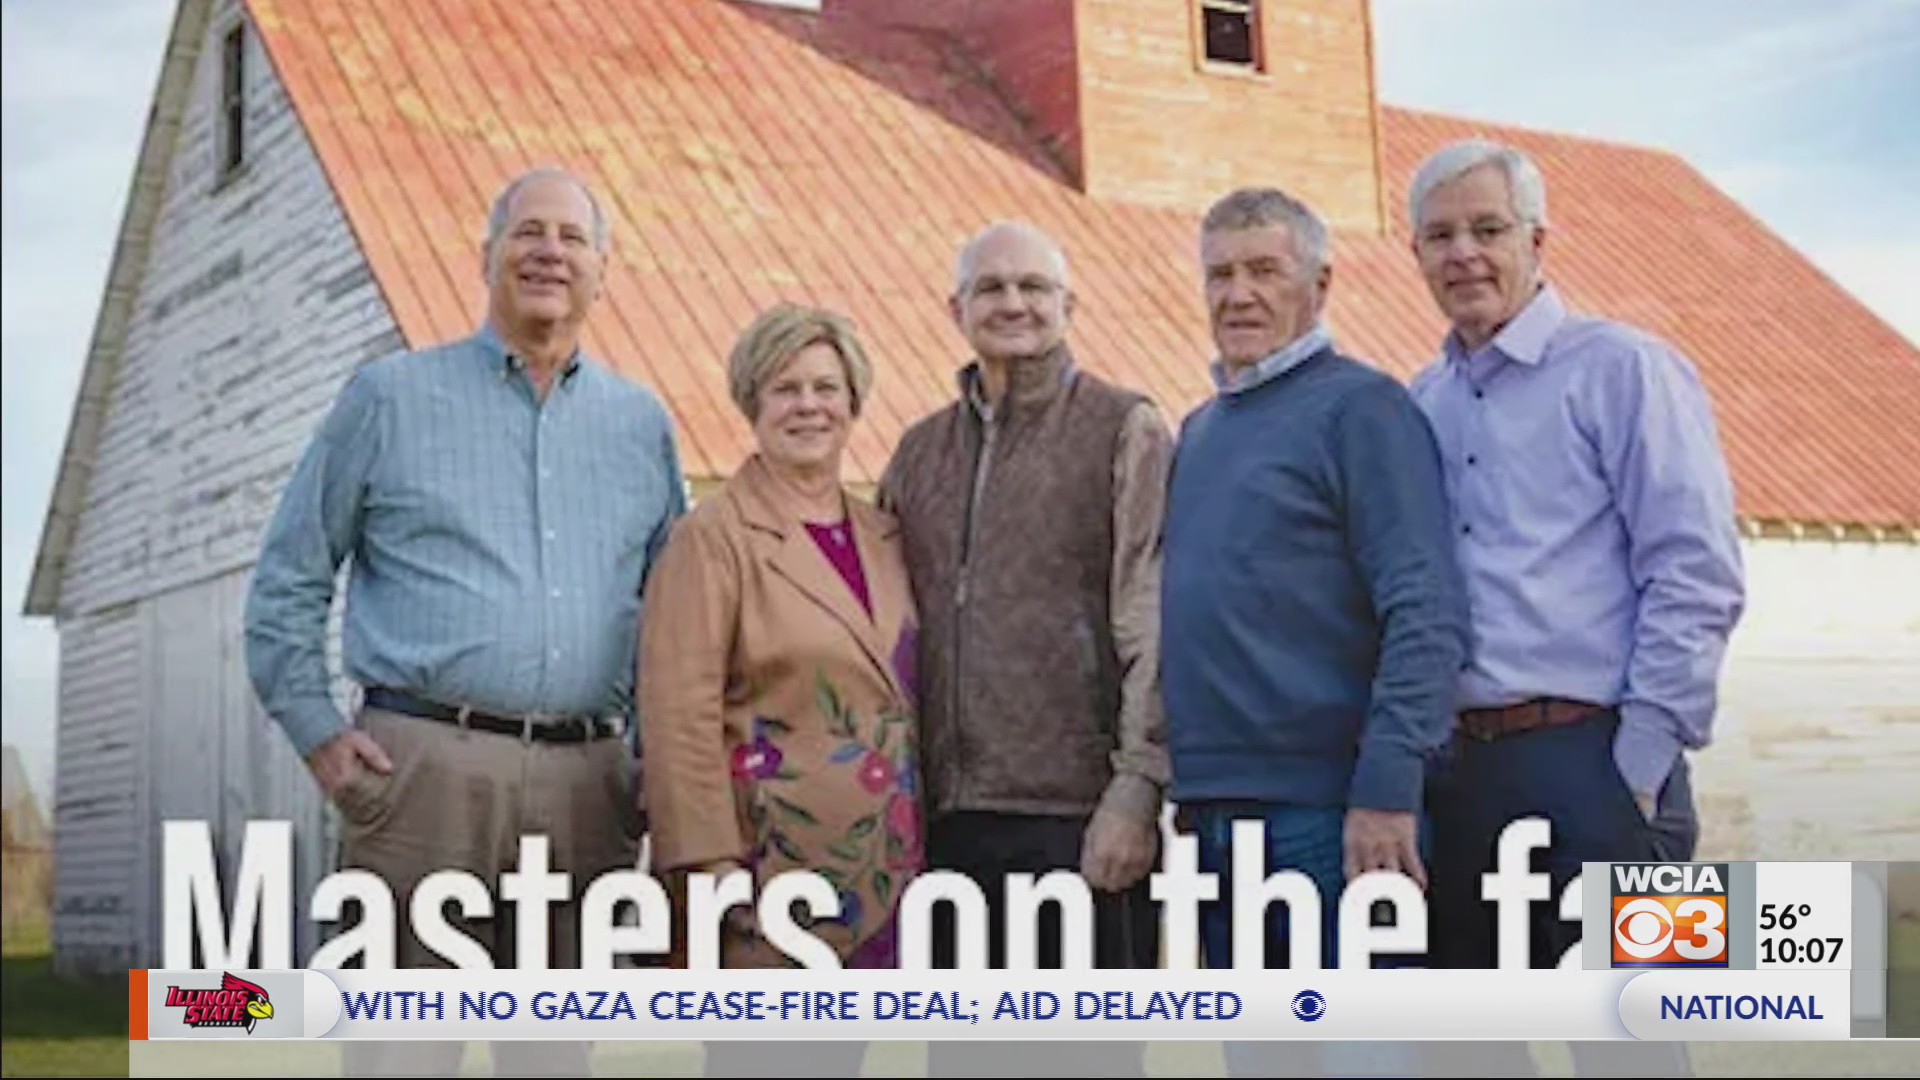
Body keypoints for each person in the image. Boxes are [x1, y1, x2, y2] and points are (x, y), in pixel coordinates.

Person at [244, 168, 686, 1078]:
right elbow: (289, 579)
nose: (549, 252)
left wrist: (650, 759)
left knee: (557, 1057)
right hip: (423, 776)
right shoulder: (389, 398)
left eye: (572, 237)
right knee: (404, 1051)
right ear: (486, 258)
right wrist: (321, 734)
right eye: (528, 232)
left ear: (604, 269)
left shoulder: (642, 425)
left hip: (591, 788)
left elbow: (672, 619)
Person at [1406, 139, 1745, 1077]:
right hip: (1465, 782)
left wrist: (1640, 760)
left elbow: (1696, 569)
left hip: (1606, 768)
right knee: (1471, 1058)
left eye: (1487, 229)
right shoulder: (1420, 403)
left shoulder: (1625, 368)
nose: (1463, 253)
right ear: (1415, 257)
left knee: (1636, 1057)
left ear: (1539, 238)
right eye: (1439, 235)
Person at [1159, 187, 1469, 1077]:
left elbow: (1426, 607)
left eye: (1265, 270)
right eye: (1220, 274)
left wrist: (1386, 786)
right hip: (1221, 819)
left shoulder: (1361, 411)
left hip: (1333, 818)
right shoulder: (1202, 429)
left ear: (1320, 283)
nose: (1239, 294)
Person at [877, 220, 1172, 1078]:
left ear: (1069, 305)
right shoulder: (918, 450)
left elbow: (1149, 614)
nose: (1014, 304)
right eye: (992, 288)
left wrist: (1137, 784)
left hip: (1079, 818)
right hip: (947, 819)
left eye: (1034, 288)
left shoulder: (1126, 428)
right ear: (957, 308)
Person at [639, 304, 920, 1077]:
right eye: (785, 388)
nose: (808, 406)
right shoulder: (714, 537)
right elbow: (676, 714)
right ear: (752, 404)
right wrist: (708, 867)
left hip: (885, 873)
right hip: (767, 879)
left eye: (827, 388)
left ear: (854, 402)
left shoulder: (886, 535)